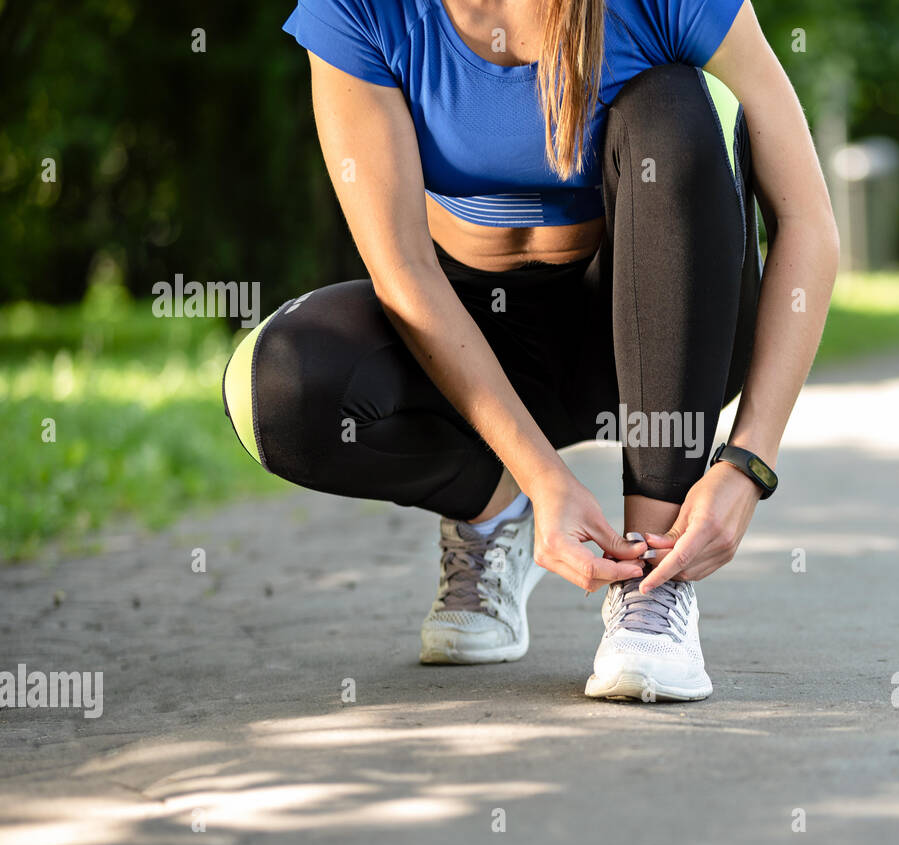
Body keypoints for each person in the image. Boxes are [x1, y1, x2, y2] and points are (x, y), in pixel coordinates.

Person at [221, 0, 837, 701]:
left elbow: (808, 220)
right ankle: (494, 511)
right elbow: (405, 274)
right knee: (278, 386)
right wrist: (541, 477)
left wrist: (747, 461)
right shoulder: (361, 10)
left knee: (675, 108)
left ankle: (651, 585)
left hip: (646, 331)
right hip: (471, 346)